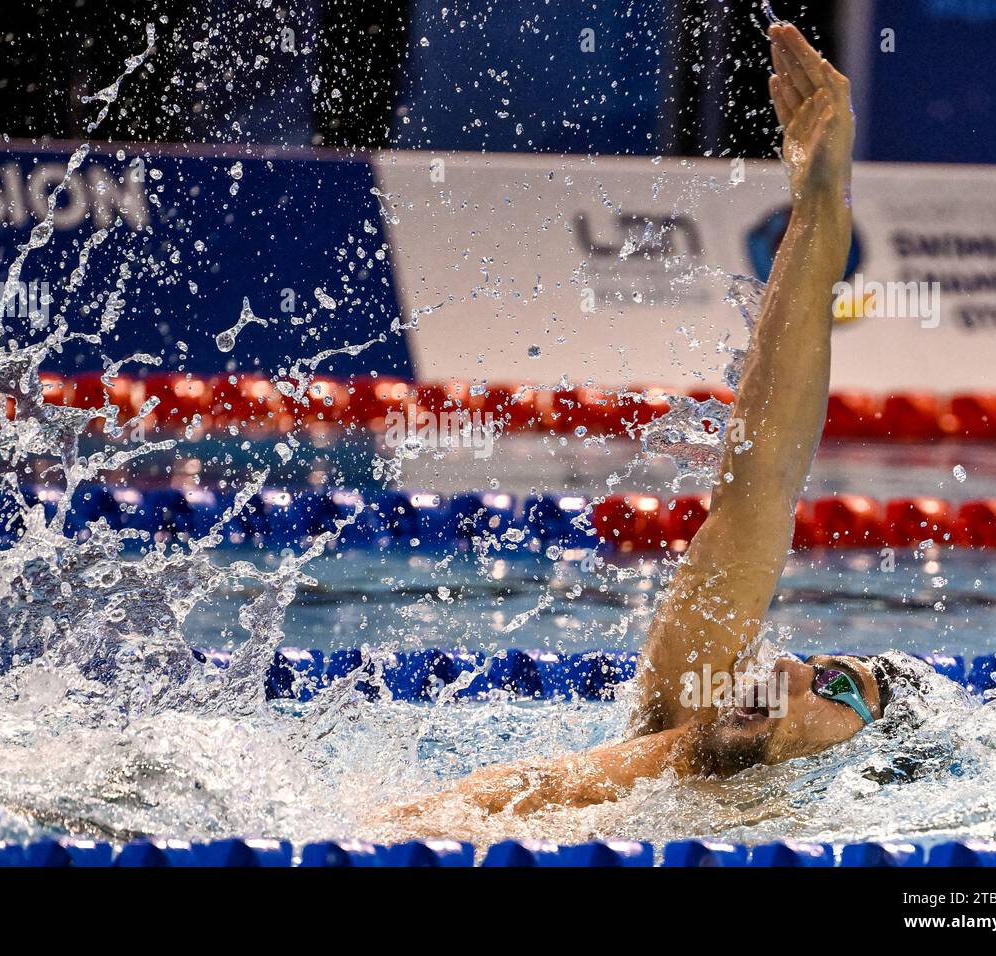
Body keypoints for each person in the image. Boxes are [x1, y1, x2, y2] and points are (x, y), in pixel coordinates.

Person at [382, 23, 915, 823]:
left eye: (840, 690)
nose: (794, 670)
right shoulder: (686, 714)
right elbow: (763, 475)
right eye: (819, 663)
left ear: (859, 760)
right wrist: (816, 204)